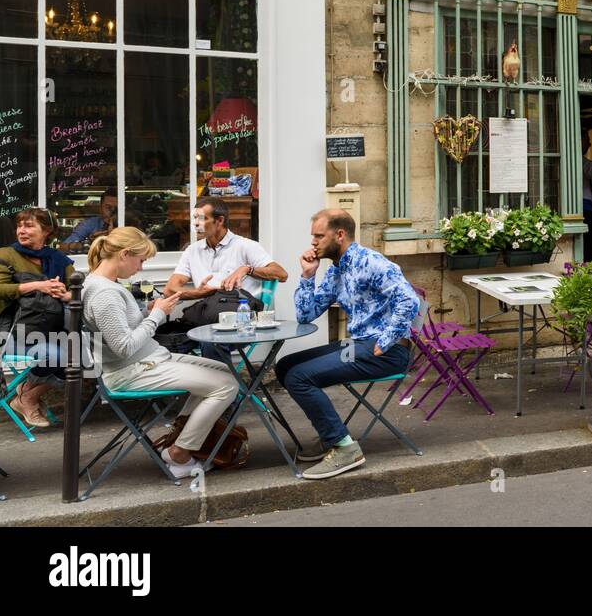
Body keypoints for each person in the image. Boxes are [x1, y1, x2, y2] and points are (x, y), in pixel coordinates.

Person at [82, 227, 240, 480]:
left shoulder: (104, 284)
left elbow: (122, 328)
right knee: (226, 385)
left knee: (226, 372)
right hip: (131, 370)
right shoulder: (104, 294)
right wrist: (157, 315)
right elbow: (124, 347)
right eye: (141, 260)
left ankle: (178, 437)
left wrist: (147, 311)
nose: (141, 268)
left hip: (148, 360)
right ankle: (180, 453)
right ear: (124, 254)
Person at [278, 209, 420, 480]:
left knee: (299, 377)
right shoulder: (337, 270)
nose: (313, 242)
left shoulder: (370, 262)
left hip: (386, 352)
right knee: (286, 366)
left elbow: (409, 300)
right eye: (313, 236)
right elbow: (306, 315)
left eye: (319, 236)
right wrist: (307, 276)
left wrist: (385, 341)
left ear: (340, 235)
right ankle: (330, 435)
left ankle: (344, 447)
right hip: (358, 344)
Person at [164, 198, 288, 361]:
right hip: (206, 319)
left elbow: (281, 274)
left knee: (211, 340)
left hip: (243, 322)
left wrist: (247, 269)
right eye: (194, 218)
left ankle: (219, 378)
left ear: (220, 220)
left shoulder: (245, 246)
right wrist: (199, 293)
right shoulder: (192, 251)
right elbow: (169, 290)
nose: (195, 224)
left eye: (201, 218)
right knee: (163, 339)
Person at [0, 209, 73, 428]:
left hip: (50, 328)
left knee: (82, 356)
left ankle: (26, 394)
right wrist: (38, 285)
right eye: (19, 226)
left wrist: (64, 294)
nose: (21, 230)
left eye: (29, 226)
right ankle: (29, 399)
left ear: (47, 230)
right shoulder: (6, 255)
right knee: (58, 356)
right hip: (11, 331)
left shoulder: (59, 260)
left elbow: (77, 291)